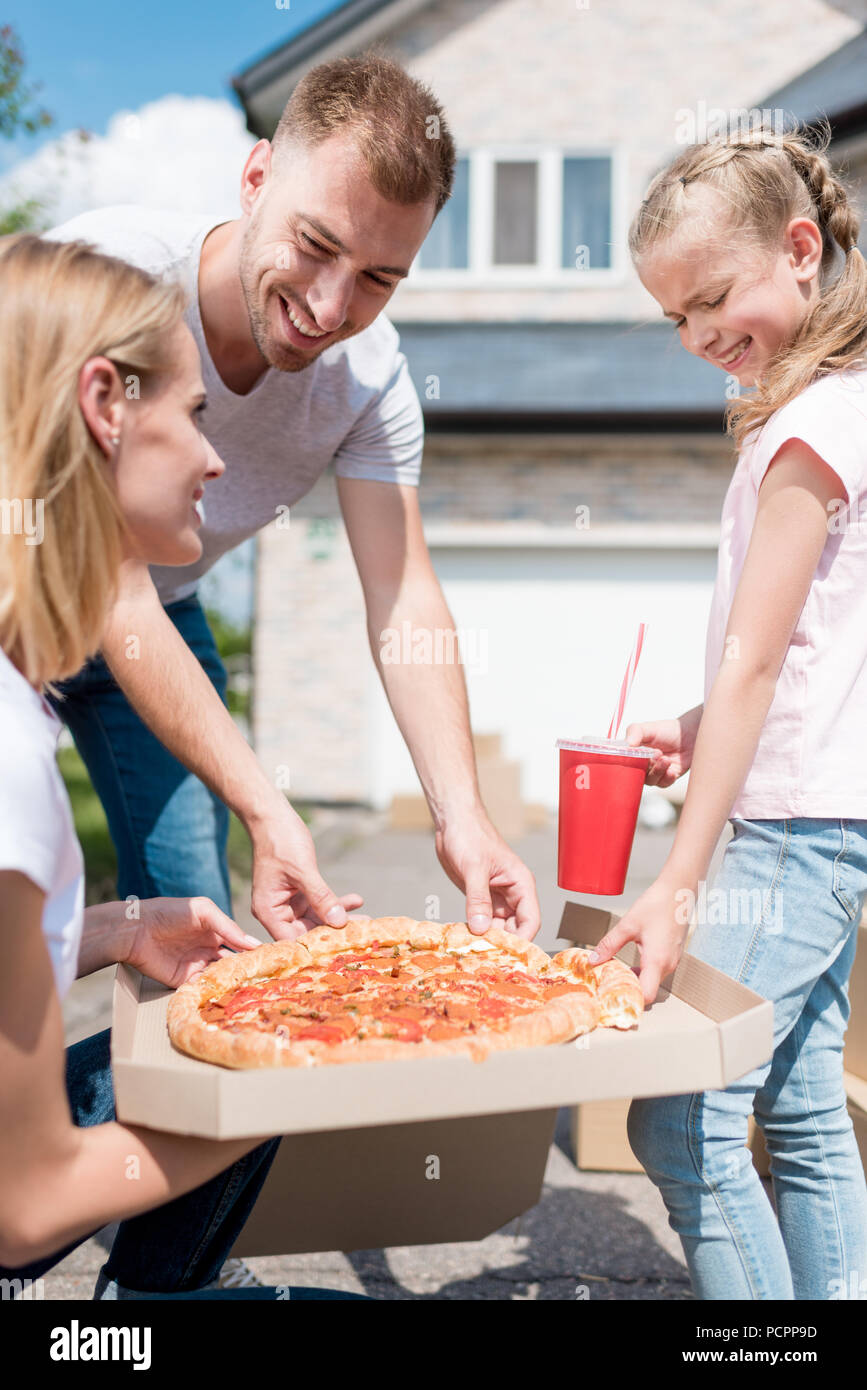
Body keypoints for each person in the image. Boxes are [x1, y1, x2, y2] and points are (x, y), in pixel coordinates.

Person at [45, 52, 540, 944]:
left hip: (163, 606)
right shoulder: (112, 279)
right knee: (28, 919)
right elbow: (107, 583)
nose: (328, 304)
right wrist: (271, 809)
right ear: (255, 175)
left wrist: (461, 815)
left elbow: (402, 598)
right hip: (29, 601)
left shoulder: (372, 381)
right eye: (315, 246)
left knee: (197, 935)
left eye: (379, 279)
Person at [0, 234, 362, 1300]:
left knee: (230, 1025)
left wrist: (116, 928)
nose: (217, 460)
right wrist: (303, 1077)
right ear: (105, 401)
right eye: (196, 416)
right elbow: (25, 1203)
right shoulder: (12, 754)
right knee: (242, 1053)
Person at [589, 120, 867, 1300]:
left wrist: (678, 878)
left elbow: (762, 667)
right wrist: (707, 728)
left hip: (797, 834)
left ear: (799, 249)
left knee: (685, 1115)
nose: (701, 339)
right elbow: (821, 651)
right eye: (675, 319)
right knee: (799, 1103)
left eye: (713, 299)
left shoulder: (807, 432)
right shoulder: (843, 406)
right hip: (831, 816)